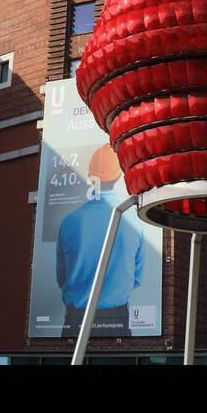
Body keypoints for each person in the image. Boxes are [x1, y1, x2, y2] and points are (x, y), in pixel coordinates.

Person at [56, 144, 144, 337]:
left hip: (75, 320)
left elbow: (62, 279)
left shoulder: (68, 222)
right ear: (120, 176)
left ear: (90, 177)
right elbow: (136, 279)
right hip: (118, 319)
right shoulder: (134, 222)